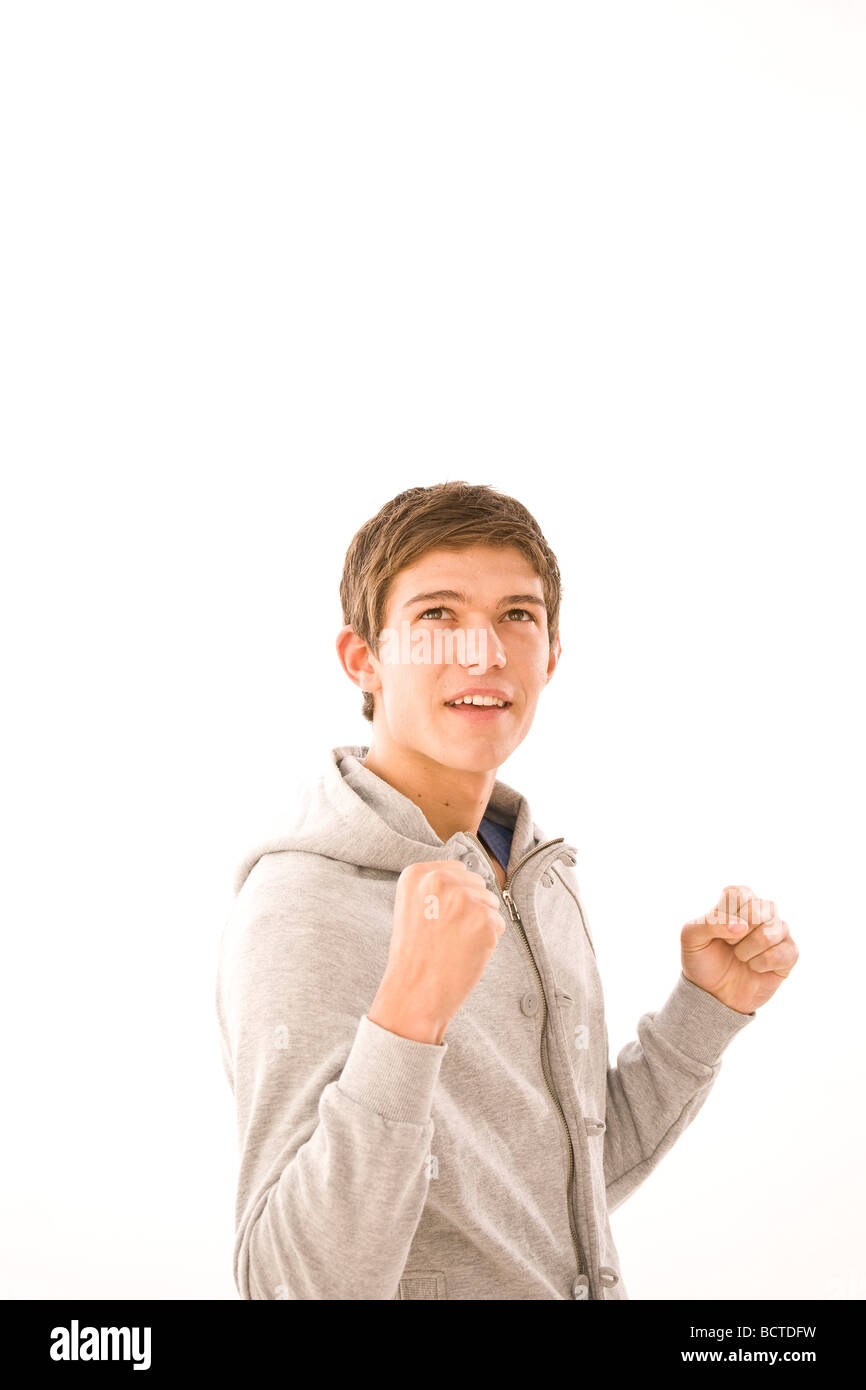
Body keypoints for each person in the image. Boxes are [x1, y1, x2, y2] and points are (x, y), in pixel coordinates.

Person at [215, 480, 798, 1300]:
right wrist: (409, 1014)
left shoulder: (530, 869)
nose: (484, 652)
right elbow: (290, 1284)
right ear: (363, 658)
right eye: (438, 614)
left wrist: (705, 1011)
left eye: (516, 615)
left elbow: (550, 1192)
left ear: (552, 654)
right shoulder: (301, 906)